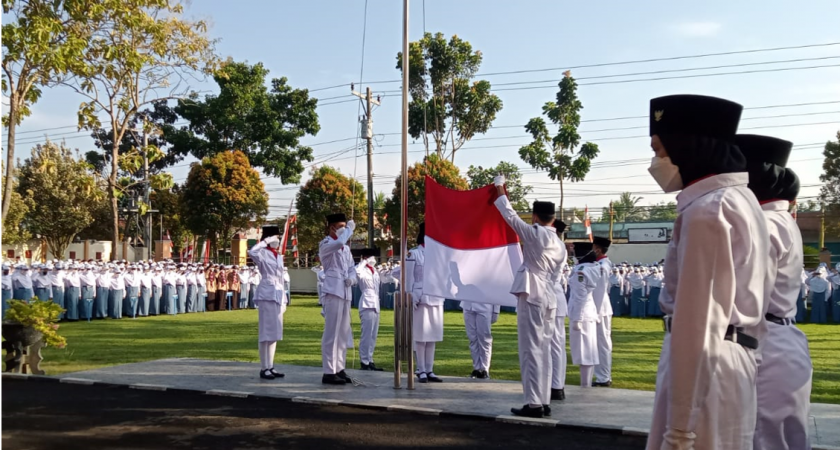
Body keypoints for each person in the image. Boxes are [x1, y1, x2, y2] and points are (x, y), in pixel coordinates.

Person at [645, 94, 770, 450]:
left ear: (687, 146)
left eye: (660, 149)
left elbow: (699, 323)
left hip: (704, 370)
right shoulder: (741, 200)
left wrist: (681, 427)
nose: (656, 161)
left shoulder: (710, 211)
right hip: (728, 362)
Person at [735, 133, 813, 450]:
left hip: (764, 341)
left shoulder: (765, 224)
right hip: (780, 338)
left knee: (764, 438)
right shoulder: (780, 219)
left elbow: (746, 298)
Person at [493, 175, 566, 419]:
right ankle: (543, 400)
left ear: (535, 217)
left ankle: (534, 403)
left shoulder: (536, 234)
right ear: (553, 218)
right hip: (549, 295)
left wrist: (500, 189)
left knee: (530, 349)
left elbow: (511, 217)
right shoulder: (560, 243)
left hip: (532, 292)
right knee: (544, 349)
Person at [403, 223, 445, 384]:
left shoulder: (438, 254)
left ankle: (430, 369)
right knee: (420, 337)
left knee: (432, 337)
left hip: (436, 297)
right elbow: (408, 277)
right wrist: (410, 295)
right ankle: (420, 369)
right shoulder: (414, 254)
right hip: (420, 298)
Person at [318, 213, 357, 385]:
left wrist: (352, 278)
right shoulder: (326, 244)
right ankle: (328, 371)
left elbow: (352, 268)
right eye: (340, 226)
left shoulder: (346, 249)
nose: (343, 228)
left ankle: (339, 368)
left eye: (344, 225)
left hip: (345, 292)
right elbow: (339, 242)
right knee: (331, 333)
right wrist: (349, 229)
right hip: (333, 291)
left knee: (343, 333)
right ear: (331, 227)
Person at [248, 226, 287, 380]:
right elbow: (252, 252)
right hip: (267, 294)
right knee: (265, 333)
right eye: (275, 237)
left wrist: (284, 299)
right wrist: (264, 242)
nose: (277, 240)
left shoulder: (278, 255)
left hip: (277, 294)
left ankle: (271, 365)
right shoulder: (262, 252)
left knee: (275, 334)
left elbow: (281, 278)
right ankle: (264, 368)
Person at [568, 242, 601, 388]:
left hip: (583, 314)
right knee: (589, 349)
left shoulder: (581, 271)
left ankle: (585, 385)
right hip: (589, 312)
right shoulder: (593, 268)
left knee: (584, 351)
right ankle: (586, 383)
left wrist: (577, 318)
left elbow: (580, 296)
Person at [549, 219, 569, 400]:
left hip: (552, 298)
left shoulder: (554, 245)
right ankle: (555, 384)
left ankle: (556, 385)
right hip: (554, 299)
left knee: (554, 345)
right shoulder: (558, 244)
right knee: (555, 345)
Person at [591, 236, 614, 388]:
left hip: (600, 309)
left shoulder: (601, 265)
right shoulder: (601, 263)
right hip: (599, 308)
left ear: (598, 249)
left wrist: (596, 313)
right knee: (599, 343)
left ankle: (603, 377)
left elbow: (599, 291)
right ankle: (602, 376)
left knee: (602, 343)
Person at [356, 248, 384, 371]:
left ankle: (370, 359)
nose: (374, 259)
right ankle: (364, 361)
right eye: (371, 257)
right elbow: (356, 272)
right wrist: (363, 262)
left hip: (376, 303)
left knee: (373, 335)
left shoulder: (375, 271)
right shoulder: (361, 269)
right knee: (366, 334)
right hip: (366, 303)